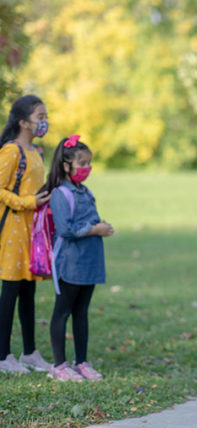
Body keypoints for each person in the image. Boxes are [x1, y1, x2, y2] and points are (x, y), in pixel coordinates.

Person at [43, 134, 114, 381]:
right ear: (66, 166)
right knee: (62, 311)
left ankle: (81, 361)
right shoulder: (61, 194)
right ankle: (59, 365)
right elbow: (66, 229)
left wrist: (101, 225)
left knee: (81, 311)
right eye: (82, 163)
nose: (87, 168)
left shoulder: (86, 192)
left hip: (89, 262)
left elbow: (89, 220)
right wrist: (95, 230)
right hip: (70, 263)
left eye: (88, 163)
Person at [0, 95, 52, 374]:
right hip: (12, 231)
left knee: (28, 291)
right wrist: (29, 202)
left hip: (33, 233)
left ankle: (29, 352)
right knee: (9, 292)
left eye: (45, 116)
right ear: (23, 122)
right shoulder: (12, 152)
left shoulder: (37, 153)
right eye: (39, 117)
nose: (44, 122)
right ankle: (3, 356)